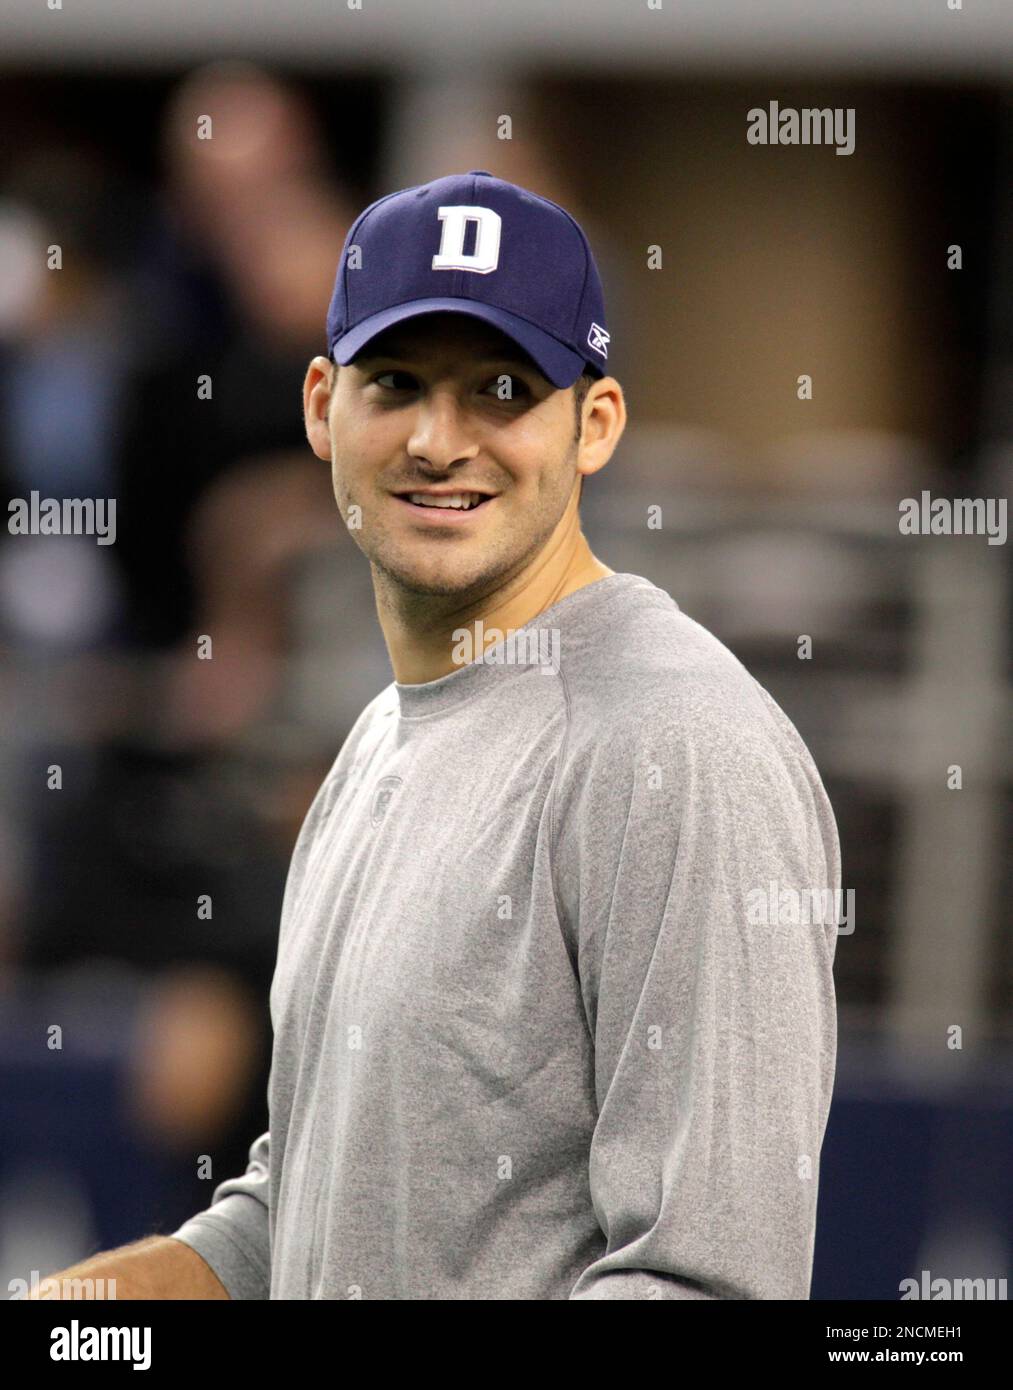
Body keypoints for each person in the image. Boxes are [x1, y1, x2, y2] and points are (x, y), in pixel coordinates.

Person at [32, 170, 839, 1300]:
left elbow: (707, 1281)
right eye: (396, 383)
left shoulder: (676, 744)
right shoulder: (375, 740)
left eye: (502, 388)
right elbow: (307, 1220)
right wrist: (75, 1320)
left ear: (593, 423)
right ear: (323, 407)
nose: (437, 440)